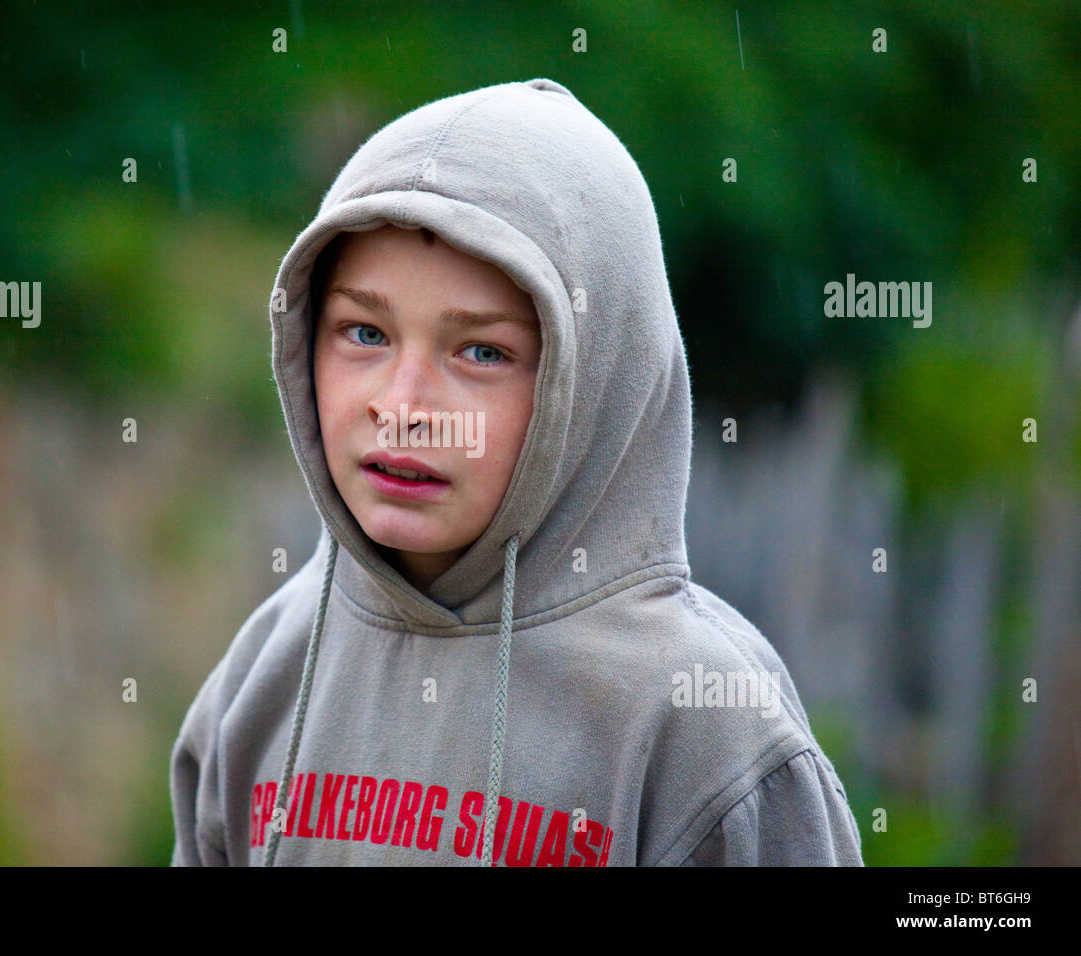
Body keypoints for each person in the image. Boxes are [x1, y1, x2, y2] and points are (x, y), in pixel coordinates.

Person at [169, 78, 864, 866]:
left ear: (598, 377)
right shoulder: (265, 669)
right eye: (364, 332)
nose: (402, 407)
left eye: (482, 353)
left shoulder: (706, 726)